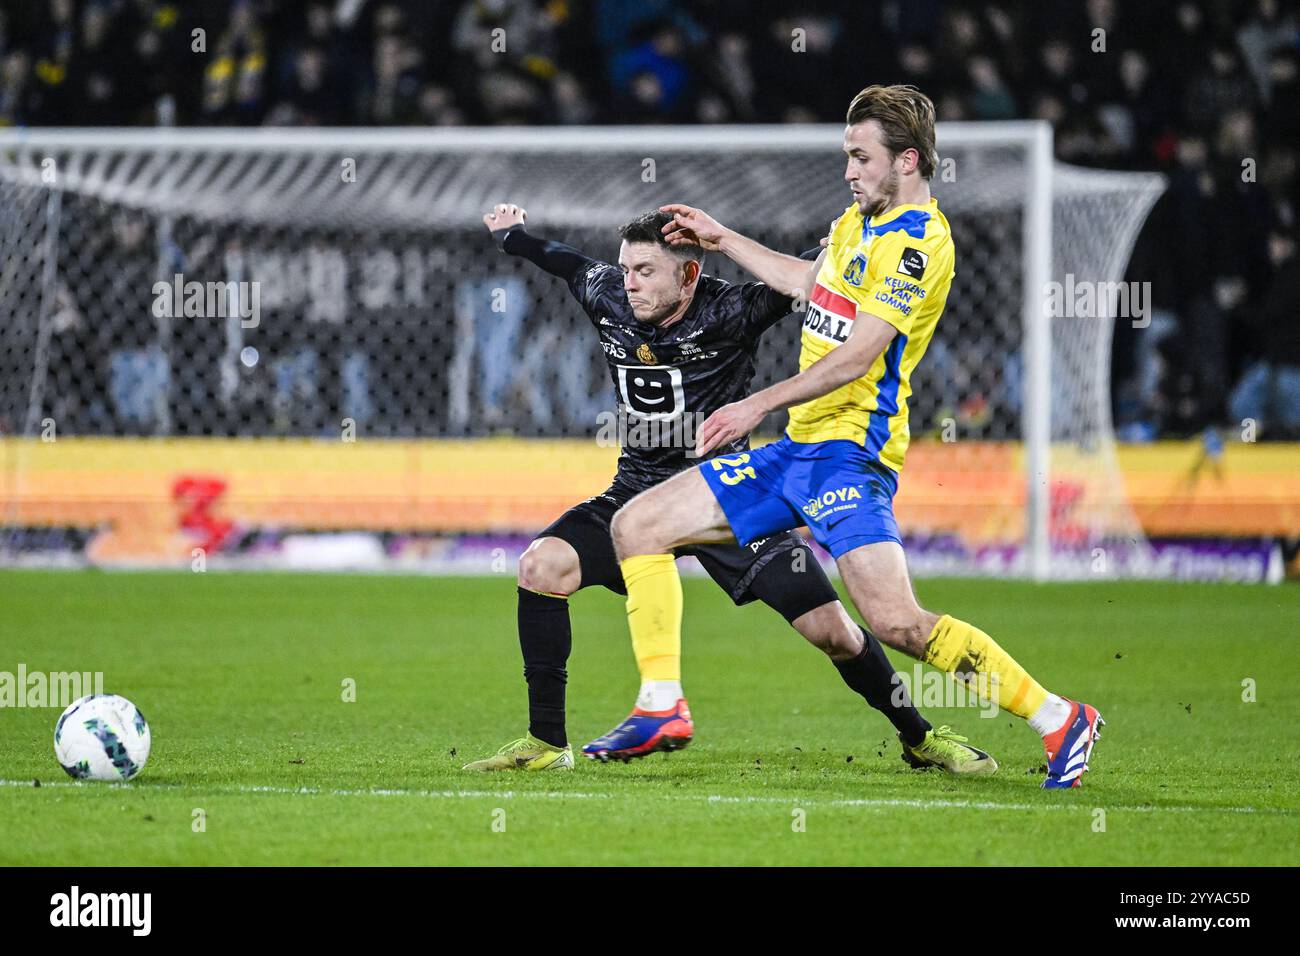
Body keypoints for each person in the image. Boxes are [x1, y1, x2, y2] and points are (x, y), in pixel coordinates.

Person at [586, 85, 1104, 790]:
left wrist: (753, 405)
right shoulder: (858, 222)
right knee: (639, 523)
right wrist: (724, 239)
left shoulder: (920, 244)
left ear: (909, 160)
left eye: (861, 158)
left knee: (895, 621)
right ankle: (660, 706)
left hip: (848, 457)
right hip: (797, 451)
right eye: (847, 157)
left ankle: (1058, 717)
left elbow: (860, 354)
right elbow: (811, 283)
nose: (849, 171)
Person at [462, 202, 995, 776]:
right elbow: (563, 262)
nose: (630, 284)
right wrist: (513, 236)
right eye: (626, 269)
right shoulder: (608, 293)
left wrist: (838, 257)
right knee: (541, 567)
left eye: (645, 271)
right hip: (637, 498)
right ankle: (546, 743)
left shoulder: (733, 308)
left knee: (835, 633)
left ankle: (921, 737)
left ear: (688, 274)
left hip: (727, 500)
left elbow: (815, 292)